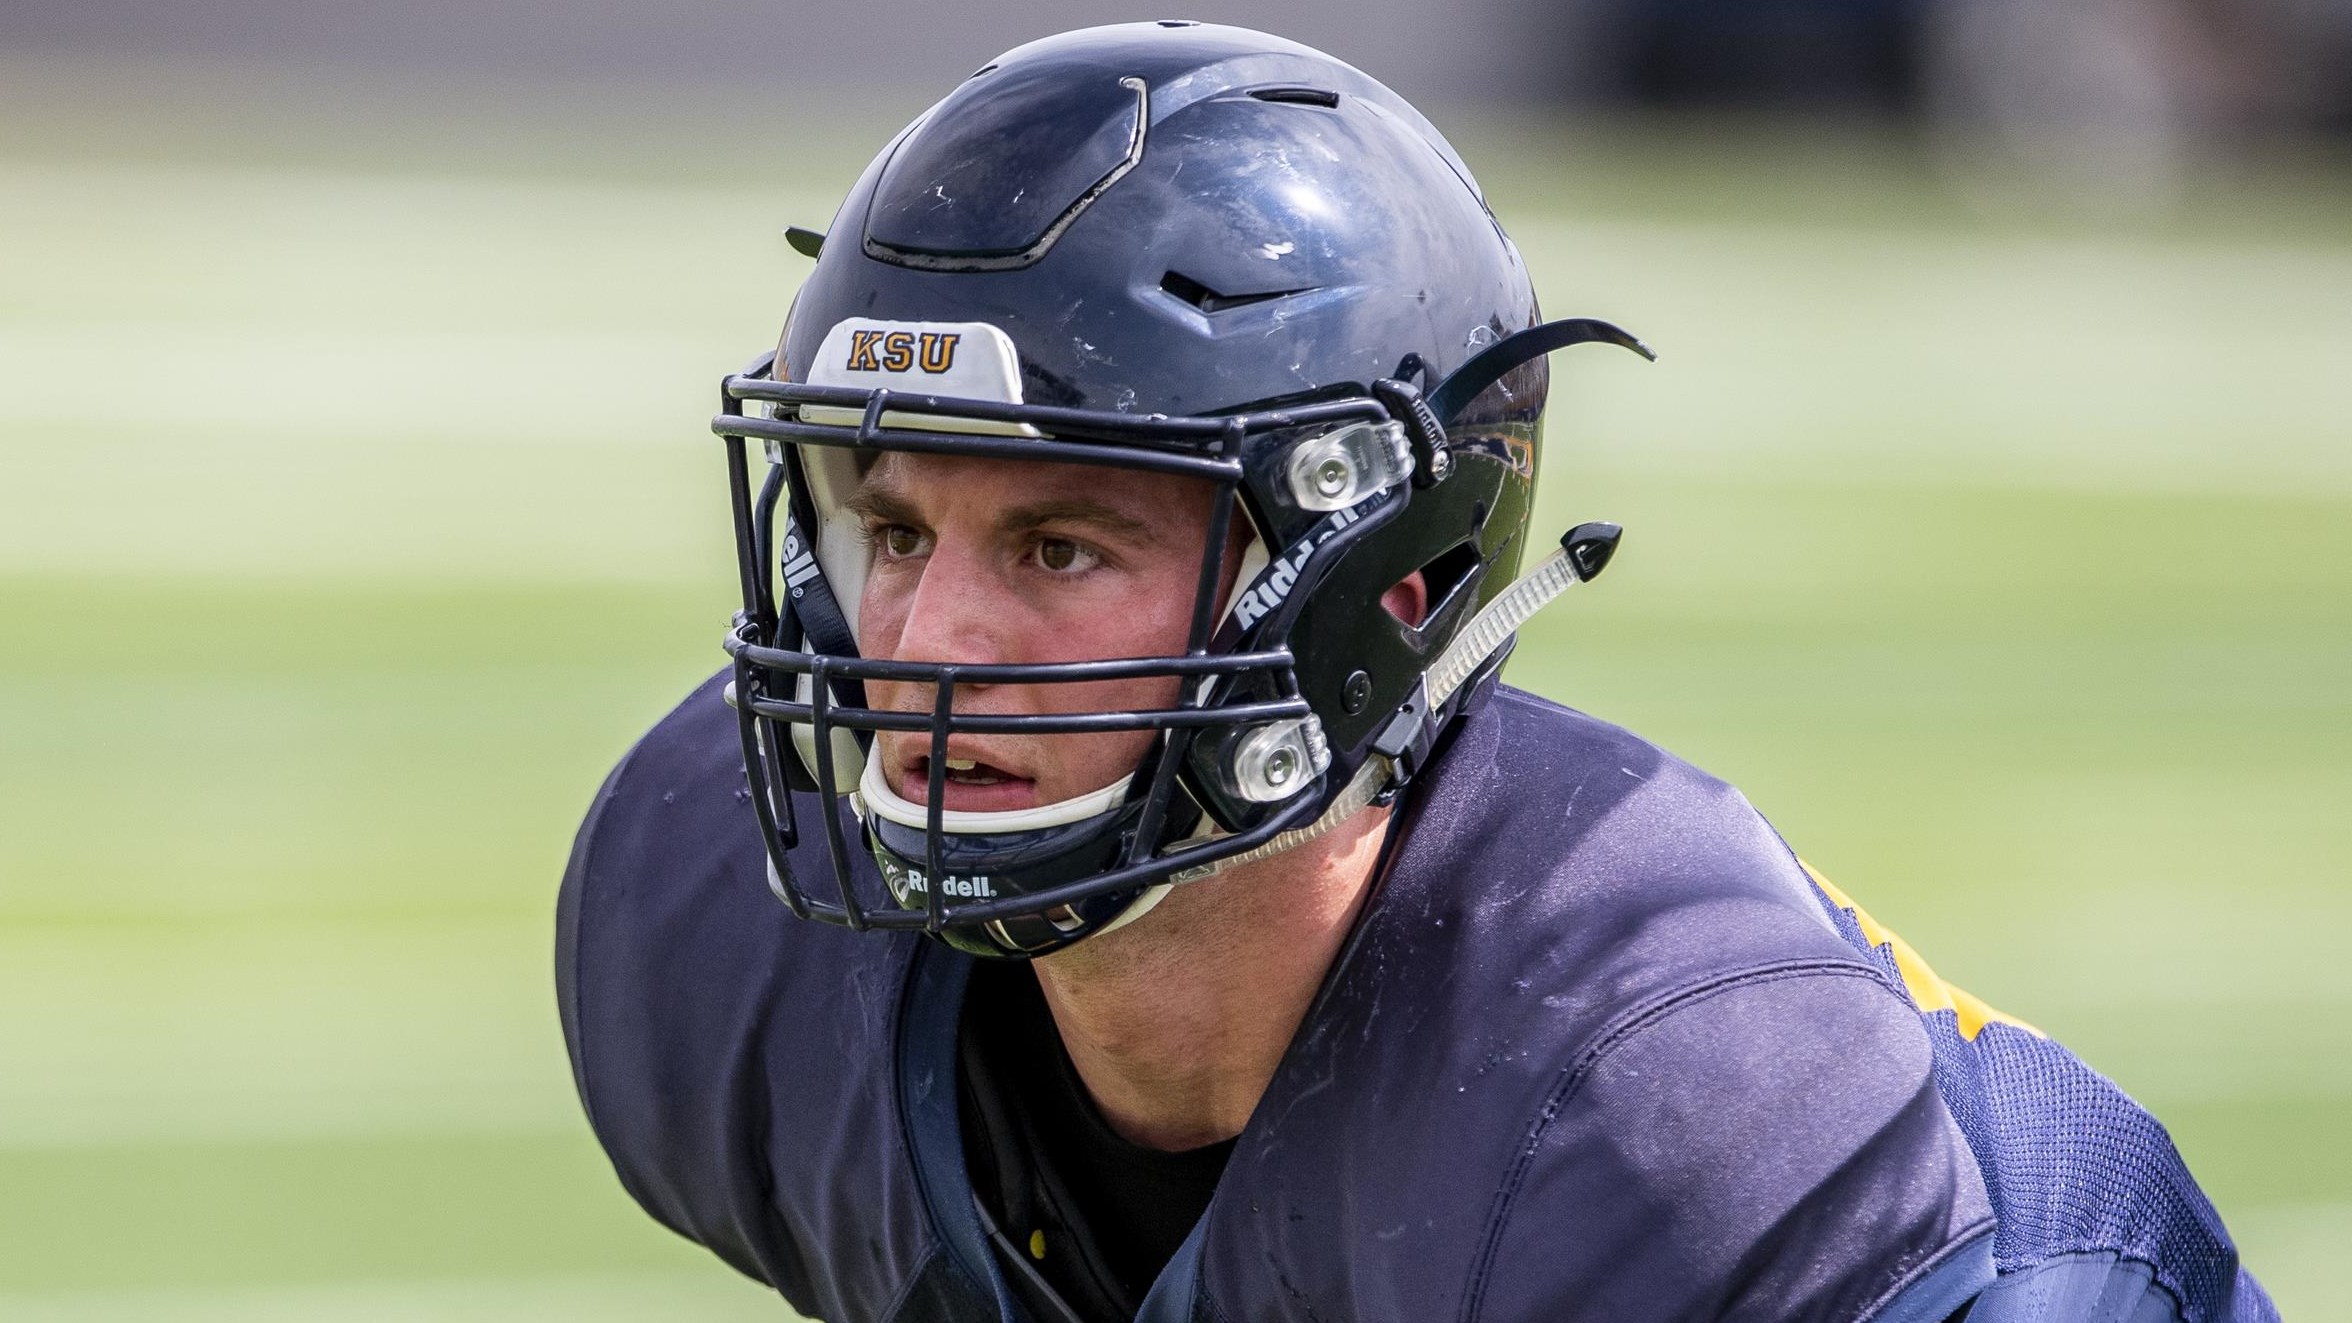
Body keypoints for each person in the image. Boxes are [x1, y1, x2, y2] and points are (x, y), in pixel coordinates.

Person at [557, 21, 2275, 1323]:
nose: (926, 648)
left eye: (1060, 549)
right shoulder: (719, 932)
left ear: (1387, 583)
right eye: (893, 527)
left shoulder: (1666, 1118)